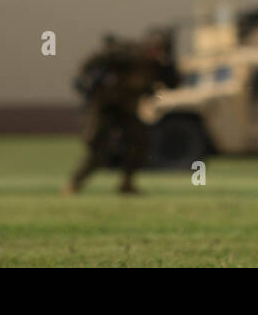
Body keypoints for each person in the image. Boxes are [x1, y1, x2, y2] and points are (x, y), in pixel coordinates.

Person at [65, 29, 179, 195]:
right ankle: (74, 184)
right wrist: (87, 84)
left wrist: (167, 66)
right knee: (98, 148)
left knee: (140, 142)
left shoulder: (157, 67)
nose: (158, 52)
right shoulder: (127, 56)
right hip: (104, 106)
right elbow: (94, 64)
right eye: (156, 48)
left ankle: (126, 184)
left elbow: (173, 83)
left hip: (125, 110)